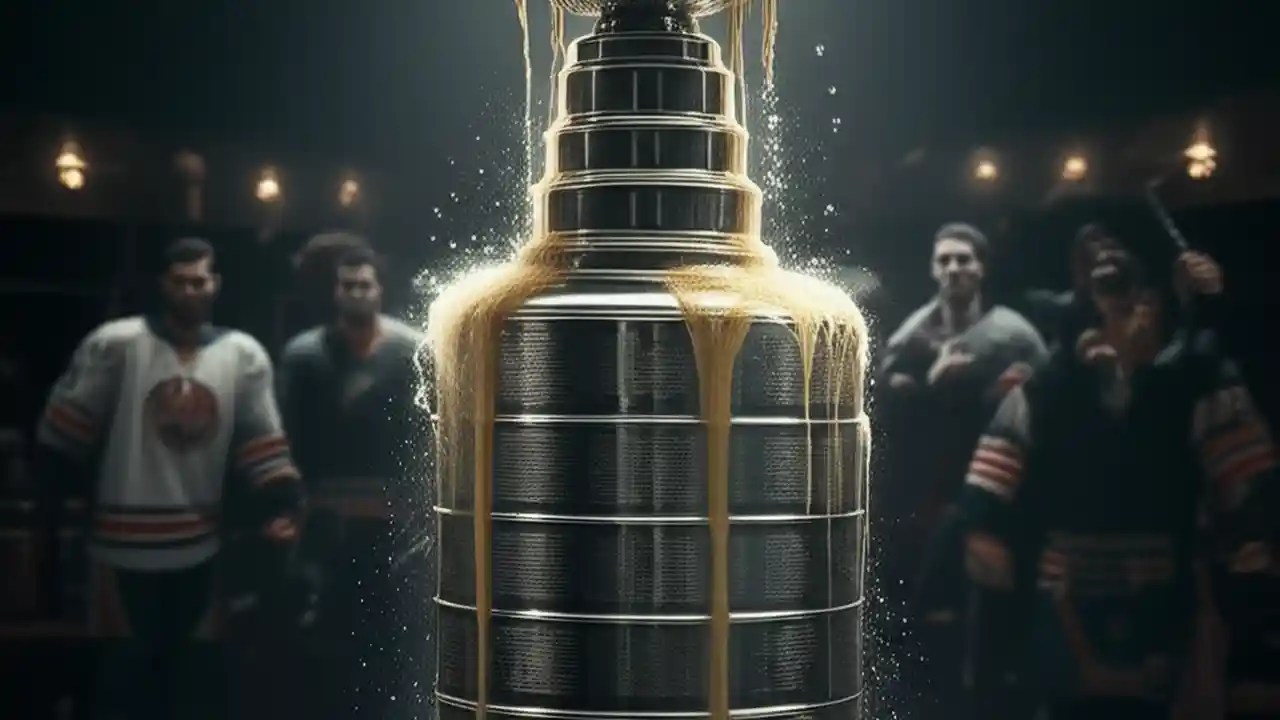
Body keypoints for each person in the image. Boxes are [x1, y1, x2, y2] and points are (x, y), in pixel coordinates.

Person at [959, 233, 1276, 720]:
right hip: (1067, 623)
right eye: (1105, 304)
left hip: (1167, 620)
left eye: (1134, 303)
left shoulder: (1198, 381)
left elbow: (1253, 502)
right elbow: (983, 517)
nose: (1121, 319)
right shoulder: (1045, 389)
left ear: (1157, 302)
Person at [35, 237, 304, 720]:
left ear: (215, 284)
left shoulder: (243, 355)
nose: (190, 291)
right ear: (163, 284)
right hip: (118, 547)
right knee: (122, 683)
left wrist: (281, 506)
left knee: (192, 686)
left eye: (199, 281)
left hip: (202, 544)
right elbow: (62, 437)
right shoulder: (114, 345)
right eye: (180, 282)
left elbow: (262, 445)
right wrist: (56, 517)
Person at [876, 222, 1048, 718]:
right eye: (945, 259)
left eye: (964, 259)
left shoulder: (1014, 334)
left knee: (994, 624)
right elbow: (886, 408)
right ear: (933, 269)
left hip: (998, 499)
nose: (954, 268)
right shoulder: (912, 336)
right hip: (928, 497)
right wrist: (925, 385)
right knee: (929, 623)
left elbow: (1046, 398)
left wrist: (1007, 386)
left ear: (982, 267)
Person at [277, 245, 429, 719]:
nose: (357, 293)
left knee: (392, 637)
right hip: (328, 519)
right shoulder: (305, 355)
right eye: (348, 285)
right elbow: (289, 435)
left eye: (365, 284)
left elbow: (427, 433)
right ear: (334, 291)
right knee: (329, 638)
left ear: (380, 290)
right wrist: (292, 508)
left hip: (394, 519)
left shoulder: (410, 350)